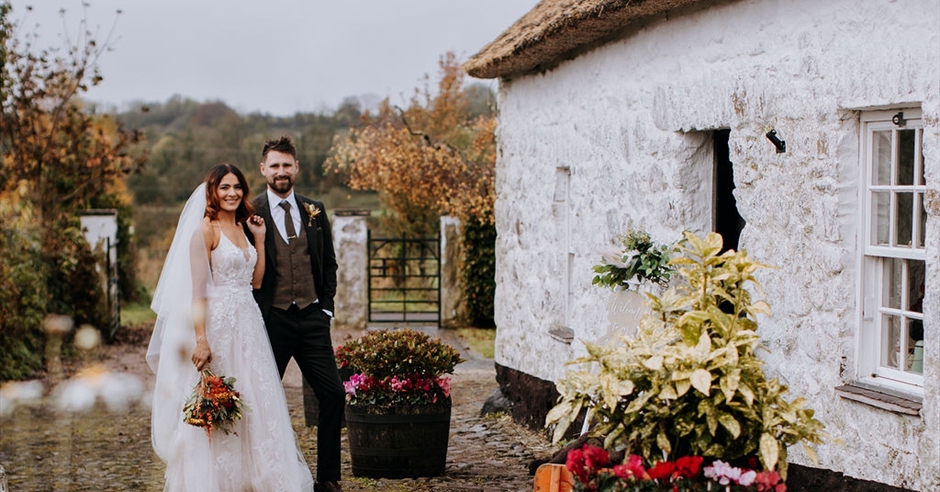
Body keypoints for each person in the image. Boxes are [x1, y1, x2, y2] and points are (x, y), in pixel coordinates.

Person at [147, 163, 314, 491]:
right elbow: (198, 294)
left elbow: (256, 280)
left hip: (249, 324)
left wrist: (261, 239)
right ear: (213, 190)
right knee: (223, 402)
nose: (232, 193)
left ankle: (258, 478)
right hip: (218, 327)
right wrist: (201, 340)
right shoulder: (205, 230)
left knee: (256, 399)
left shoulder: (243, 227)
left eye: (237, 186)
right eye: (224, 187)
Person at [249, 136, 344, 492]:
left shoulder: (314, 210)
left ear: (297, 168)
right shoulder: (250, 212)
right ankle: (264, 475)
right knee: (262, 400)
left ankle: (329, 478)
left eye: (287, 165)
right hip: (271, 320)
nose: (281, 171)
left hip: (312, 318)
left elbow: (329, 264)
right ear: (263, 170)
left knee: (333, 395)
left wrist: (327, 308)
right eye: (274, 165)